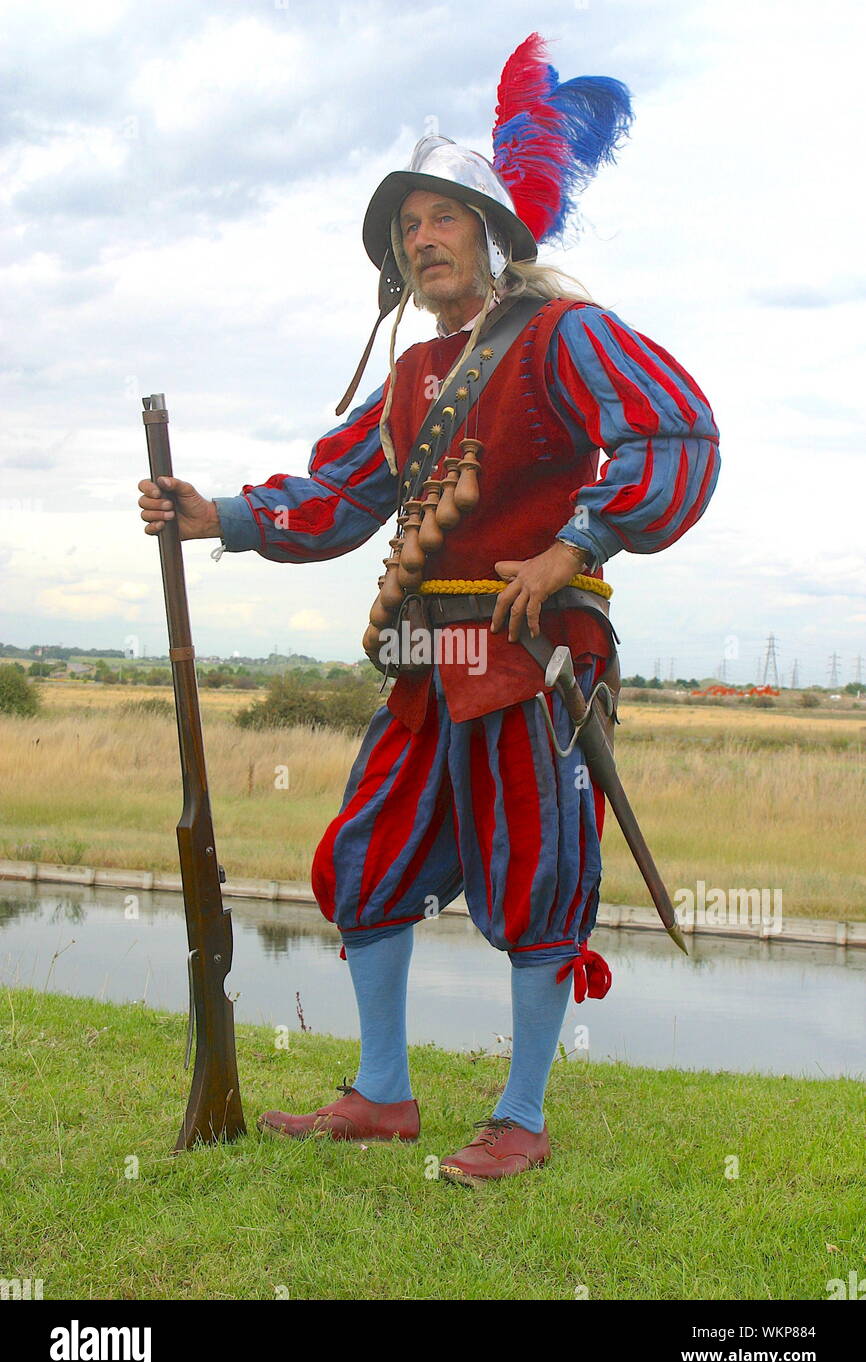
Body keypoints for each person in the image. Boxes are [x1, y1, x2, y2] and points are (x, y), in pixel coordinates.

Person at [137, 35, 720, 1187]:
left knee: (534, 872)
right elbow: (339, 492)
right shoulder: (410, 381)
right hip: (425, 658)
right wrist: (217, 515)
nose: (419, 239)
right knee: (365, 857)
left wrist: (575, 544)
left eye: (439, 216)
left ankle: (519, 1114)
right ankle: (384, 1094)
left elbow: (676, 430)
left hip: (531, 651)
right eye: (405, 227)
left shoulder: (565, 336)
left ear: (493, 230)